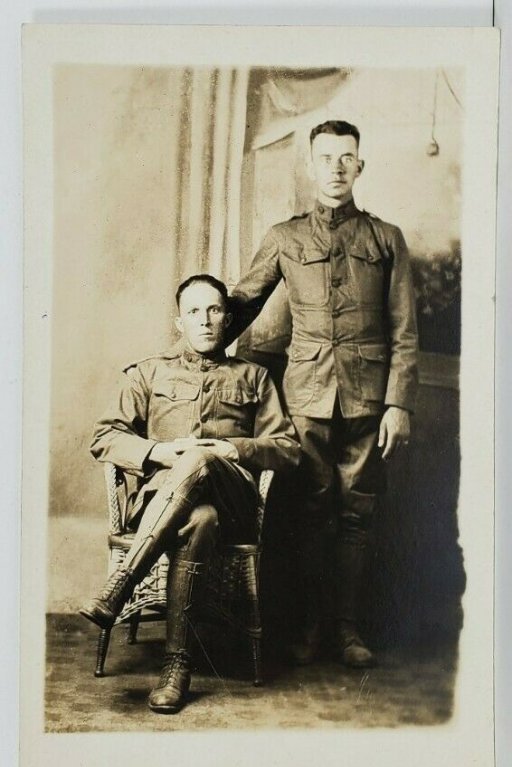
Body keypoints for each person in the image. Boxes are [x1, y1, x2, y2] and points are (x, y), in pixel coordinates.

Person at [227, 120, 419, 668]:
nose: (336, 167)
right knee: (308, 512)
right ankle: (310, 627)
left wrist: (399, 402)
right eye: (326, 158)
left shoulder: (386, 238)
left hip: (368, 401)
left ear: (360, 166)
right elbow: (243, 300)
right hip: (306, 396)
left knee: (358, 515)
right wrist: (206, 338)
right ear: (310, 166)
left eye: (347, 157)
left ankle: (348, 632)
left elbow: (405, 328)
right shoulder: (285, 237)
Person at [80, 274, 300, 714]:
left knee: (200, 461)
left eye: (215, 310)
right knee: (200, 519)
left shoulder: (253, 376)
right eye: (194, 312)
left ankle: (120, 586)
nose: (205, 321)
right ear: (179, 322)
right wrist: (158, 451)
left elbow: (288, 449)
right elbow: (105, 437)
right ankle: (176, 667)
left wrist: (232, 448)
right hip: (165, 503)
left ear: (228, 317)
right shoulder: (149, 372)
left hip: (233, 497)